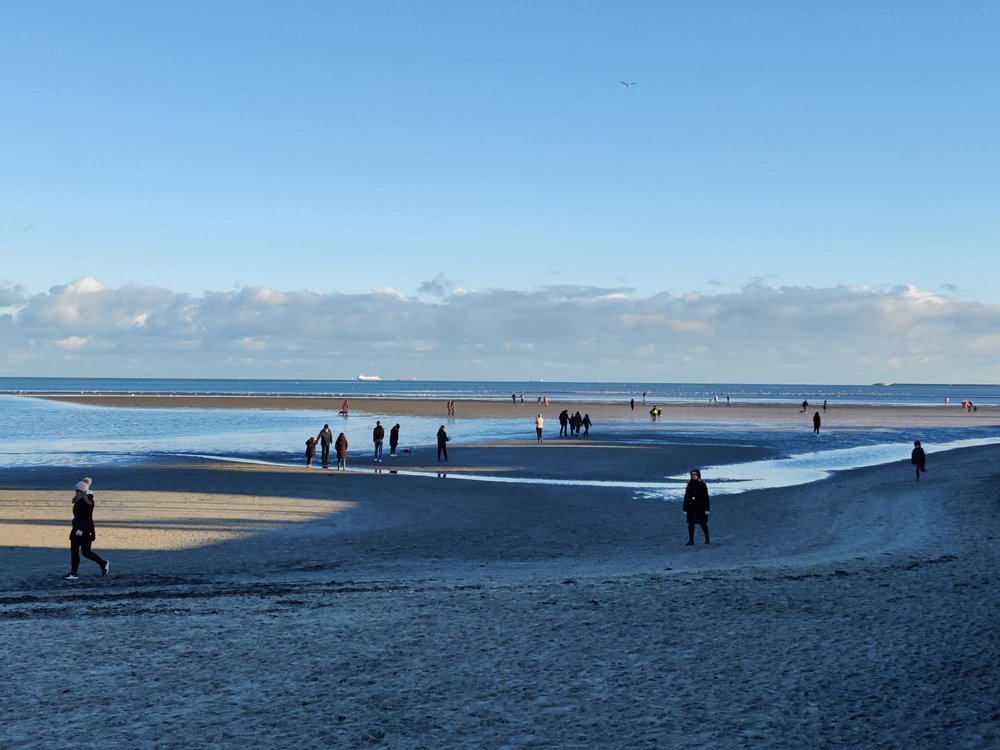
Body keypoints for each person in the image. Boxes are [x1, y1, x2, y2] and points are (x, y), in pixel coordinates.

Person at [64, 489, 109, 580]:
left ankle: (103, 563)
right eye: (76, 491)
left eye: (78, 491)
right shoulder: (79, 501)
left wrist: (80, 529)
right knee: (75, 551)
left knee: (86, 552)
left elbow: (86, 517)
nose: (76, 492)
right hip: (77, 529)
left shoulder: (88, 502)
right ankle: (74, 573)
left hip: (85, 531)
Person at [683, 469, 710, 545]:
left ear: (698, 475)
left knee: (703, 523)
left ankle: (707, 539)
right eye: (693, 475)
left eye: (695, 475)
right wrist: (685, 509)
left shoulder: (702, 484)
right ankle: (691, 540)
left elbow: (706, 498)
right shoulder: (689, 484)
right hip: (691, 508)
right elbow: (686, 497)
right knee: (690, 524)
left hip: (701, 507)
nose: (694, 476)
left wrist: (707, 509)